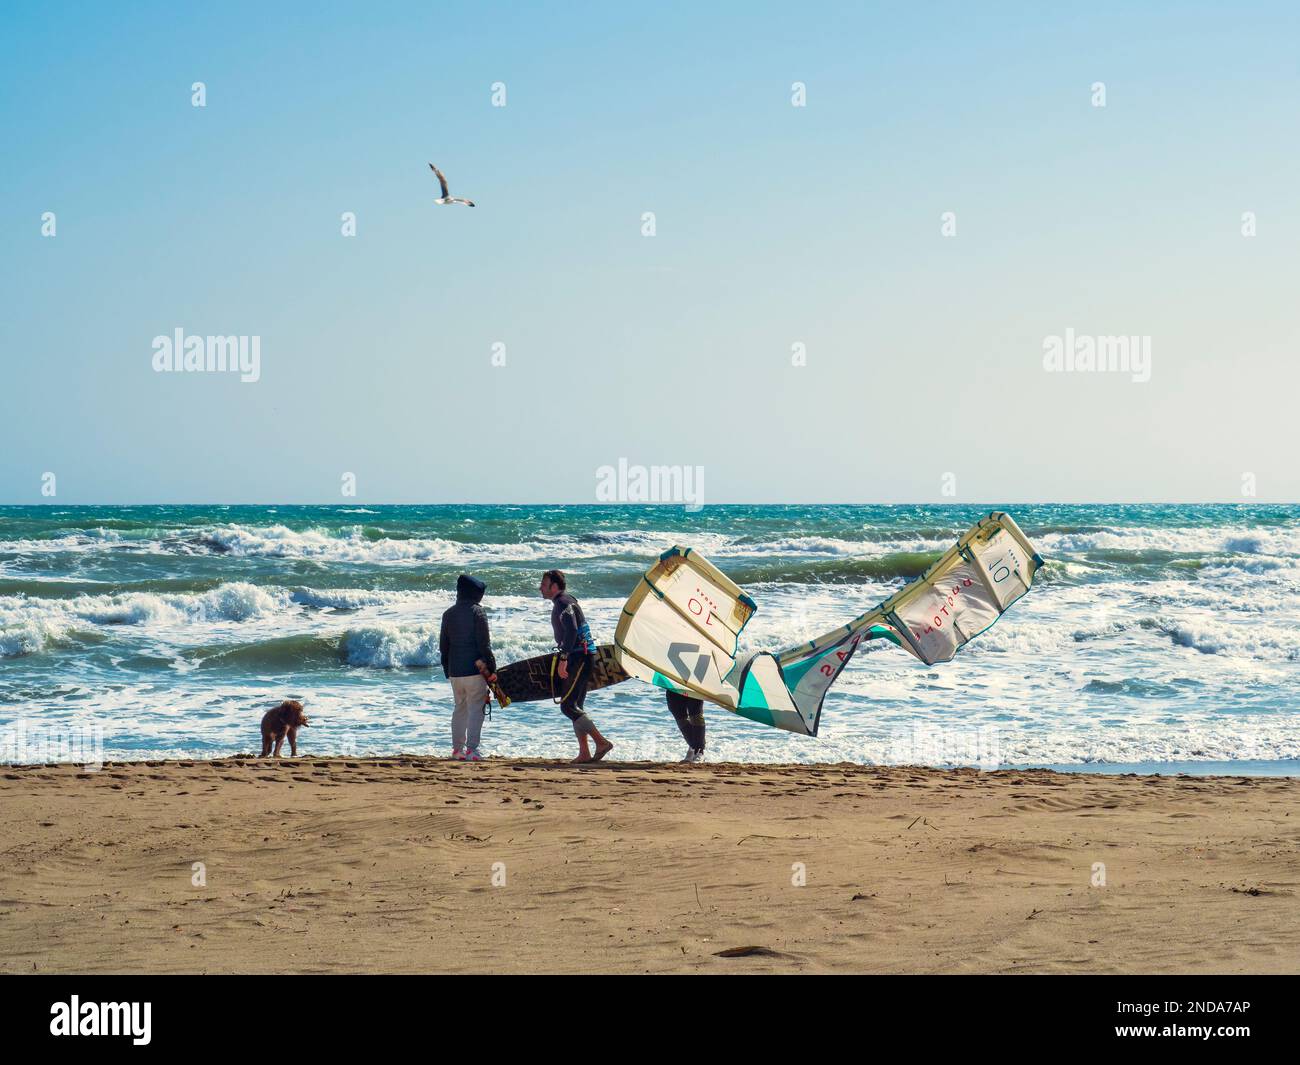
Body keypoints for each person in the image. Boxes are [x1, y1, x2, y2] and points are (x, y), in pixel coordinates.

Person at [539, 569, 613, 763]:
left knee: (567, 706)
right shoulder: (568, 599)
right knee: (576, 705)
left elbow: (571, 631)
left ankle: (601, 742)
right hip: (584, 655)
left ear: (554, 587)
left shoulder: (562, 602)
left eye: (544, 584)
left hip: (579, 657)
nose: (540, 588)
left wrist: (563, 658)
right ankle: (584, 752)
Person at [438, 574, 497, 761]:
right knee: (476, 708)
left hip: (455, 671)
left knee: (460, 708)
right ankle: (472, 749)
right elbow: (484, 645)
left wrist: (447, 670)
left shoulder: (448, 614)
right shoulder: (477, 612)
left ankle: (457, 750)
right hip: (474, 670)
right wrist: (492, 669)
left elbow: (444, 646)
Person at [665, 691, 706, 762]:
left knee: (696, 715)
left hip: (693, 685)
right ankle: (693, 747)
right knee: (680, 718)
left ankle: (699, 751)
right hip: (674, 685)